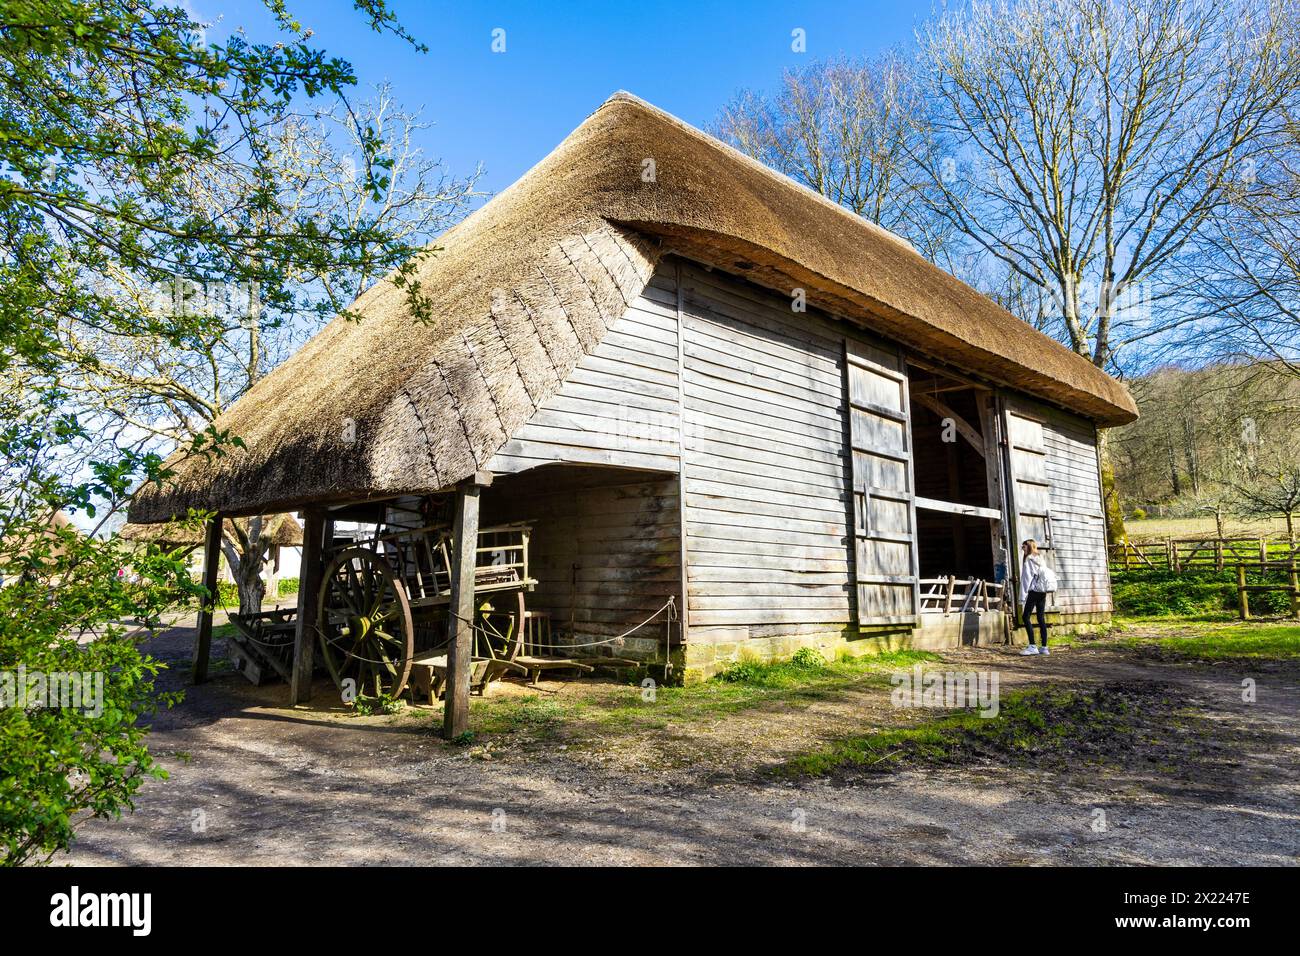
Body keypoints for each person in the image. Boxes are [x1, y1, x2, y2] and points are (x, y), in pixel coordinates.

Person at [1019, 538, 1050, 655]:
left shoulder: (1028, 560)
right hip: (1042, 591)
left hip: (1034, 592)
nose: (1022, 549)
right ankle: (1044, 647)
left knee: (1025, 616)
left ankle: (1032, 646)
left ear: (1029, 546)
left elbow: (1026, 580)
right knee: (1040, 618)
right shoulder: (1040, 558)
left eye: (1024, 546)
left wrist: (1022, 597)